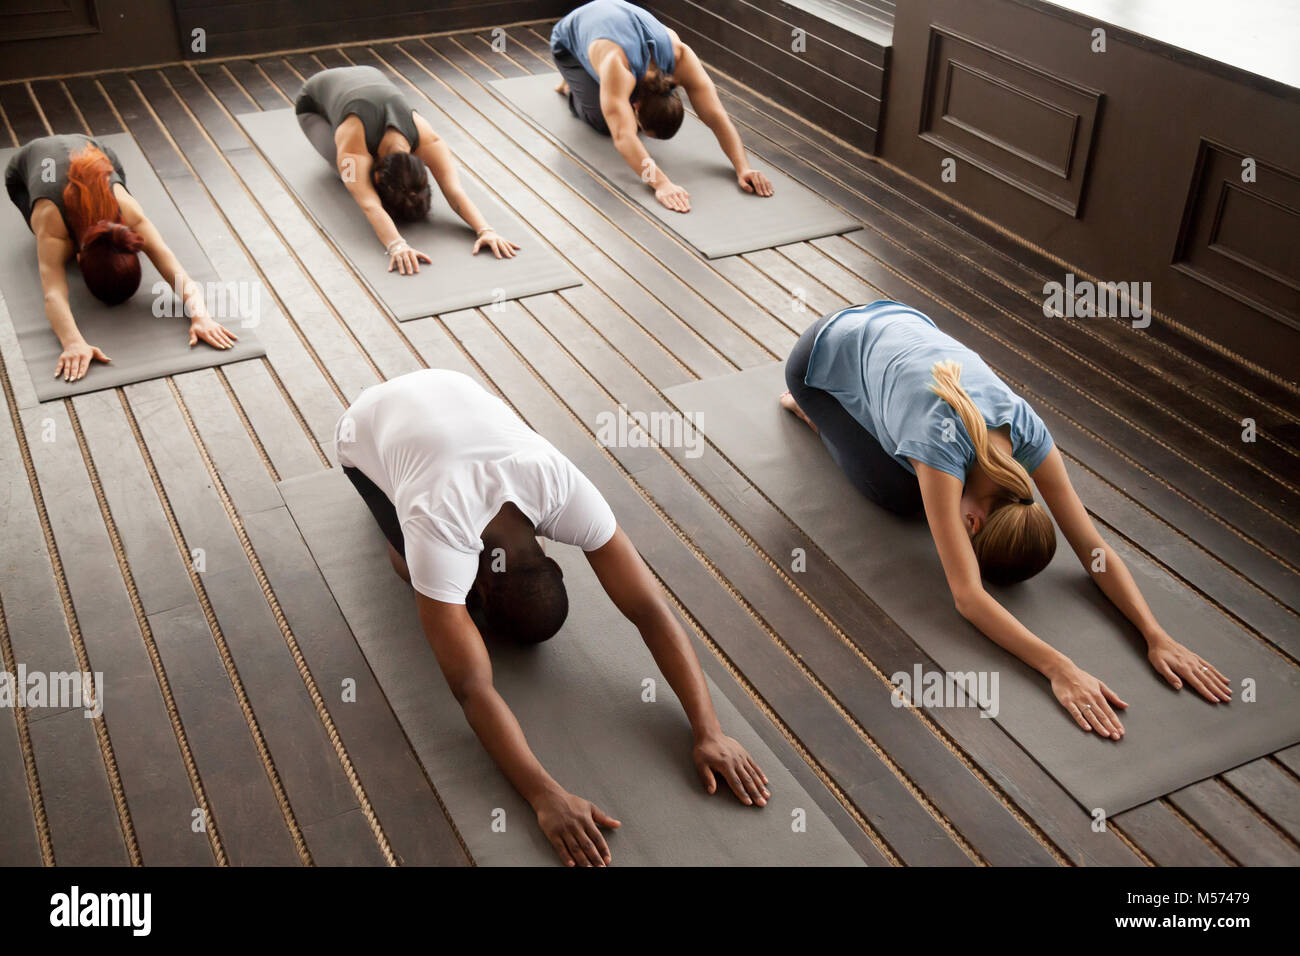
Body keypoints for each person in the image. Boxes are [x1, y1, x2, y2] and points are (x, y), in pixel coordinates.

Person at [336, 368, 769, 865]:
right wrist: (543, 794)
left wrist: (709, 729)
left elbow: (650, 609)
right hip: (361, 425)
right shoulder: (438, 530)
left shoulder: (562, 486)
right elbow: (471, 688)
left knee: (427, 570)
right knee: (407, 569)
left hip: (452, 384)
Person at [781, 301, 1232, 738]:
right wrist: (1059, 667)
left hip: (896, 318)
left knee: (915, 478)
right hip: (818, 356)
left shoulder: (1027, 433)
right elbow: (968, 596)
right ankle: (814, 411)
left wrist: (1156, 635)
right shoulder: (938, 454)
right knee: (899, 496)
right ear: (973, 524)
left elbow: (1094, 552)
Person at [5, 134, 236, 383]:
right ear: (81, 259)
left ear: (131, 245)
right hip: (27, 165)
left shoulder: (130, 213)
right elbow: (53, 294)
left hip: (92, 147)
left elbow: (175, 269)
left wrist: (201, 315)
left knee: (111, 189)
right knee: (58, 247)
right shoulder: (52, 223)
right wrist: (72, 342)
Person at [550, 0, 774, 213]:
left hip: (610, 21)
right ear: (635, 106)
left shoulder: (681, 56)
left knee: (616, 109)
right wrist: (660, 184)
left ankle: (589, 86)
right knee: (605, 123)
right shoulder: (617, 66)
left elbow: (716, 116)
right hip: (568, 43)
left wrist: (743, 167)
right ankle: (571, 87)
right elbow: (623, 137)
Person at [295, 65, 520, 275]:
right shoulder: (352, 143)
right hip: (312, 104)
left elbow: (453, 190)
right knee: (347, 176)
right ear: (377, 175)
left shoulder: (428, 140)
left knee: (363, 176)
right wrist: (397, 245)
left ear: (421, 162)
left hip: (368, 75)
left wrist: (486, 230)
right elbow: (368, 203)